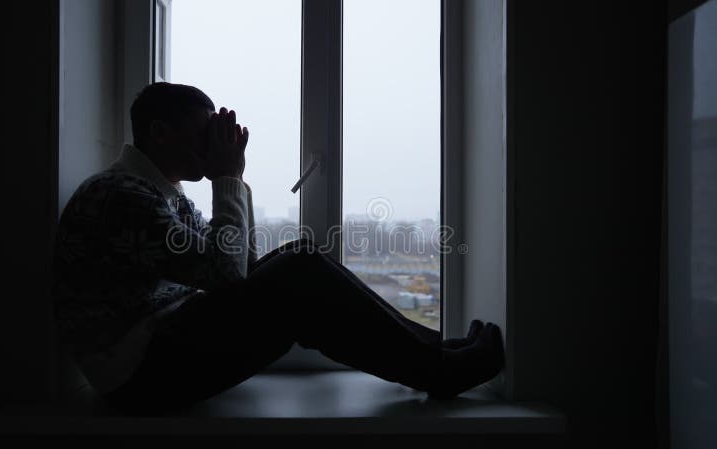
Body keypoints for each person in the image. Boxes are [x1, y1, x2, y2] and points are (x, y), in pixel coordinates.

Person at [52, 82, 504, 415]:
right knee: (300, 268)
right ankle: (440, 369)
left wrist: (235, 179)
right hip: (138, 376)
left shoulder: (160, 196)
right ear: (159, 133)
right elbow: (228, 277)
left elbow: (237, 273)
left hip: (159, 351)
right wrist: (227, 177)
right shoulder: (120, 196)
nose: (213, 145)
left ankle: (438, 355)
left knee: (297, 258)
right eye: (203, 133)